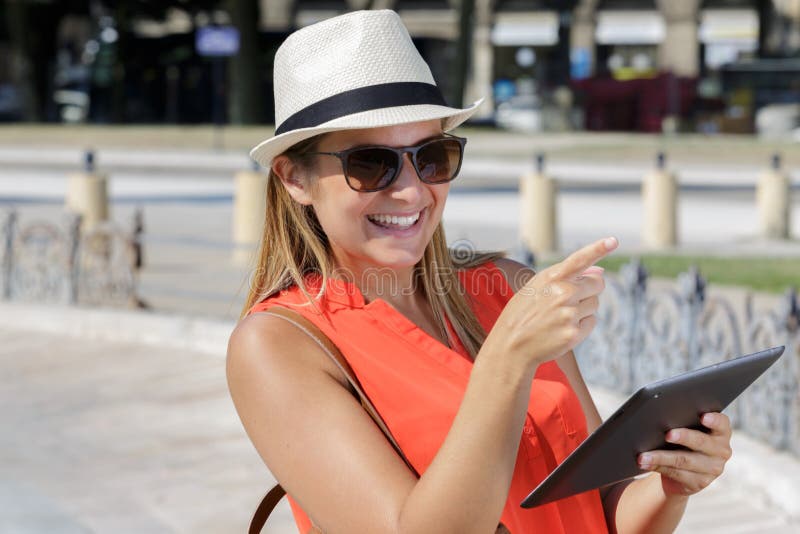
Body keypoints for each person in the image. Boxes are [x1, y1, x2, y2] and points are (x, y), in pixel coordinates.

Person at [227, 10, 733, 533]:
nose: (411, 190)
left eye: (433, 156)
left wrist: (671, 484)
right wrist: (506, 361)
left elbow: (599, 513)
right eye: (370, 164)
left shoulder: (507, 288)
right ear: (295, 179)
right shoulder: (280, 345)